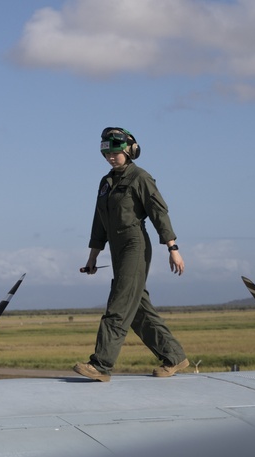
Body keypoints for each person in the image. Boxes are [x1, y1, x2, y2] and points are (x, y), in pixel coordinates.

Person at [73, 127, 189, 382]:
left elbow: (159, 213)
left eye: (115, 153)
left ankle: (101, 365)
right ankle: (175, 356)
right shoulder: (106, 183)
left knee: (119, 304)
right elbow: (99, 222)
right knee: (137, 310)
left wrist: (172, 248)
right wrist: (93, 257)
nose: (111, 158)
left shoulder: (140, 178)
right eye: (107, 153)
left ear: (129, 151)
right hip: (116, 247)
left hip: (135, 245)